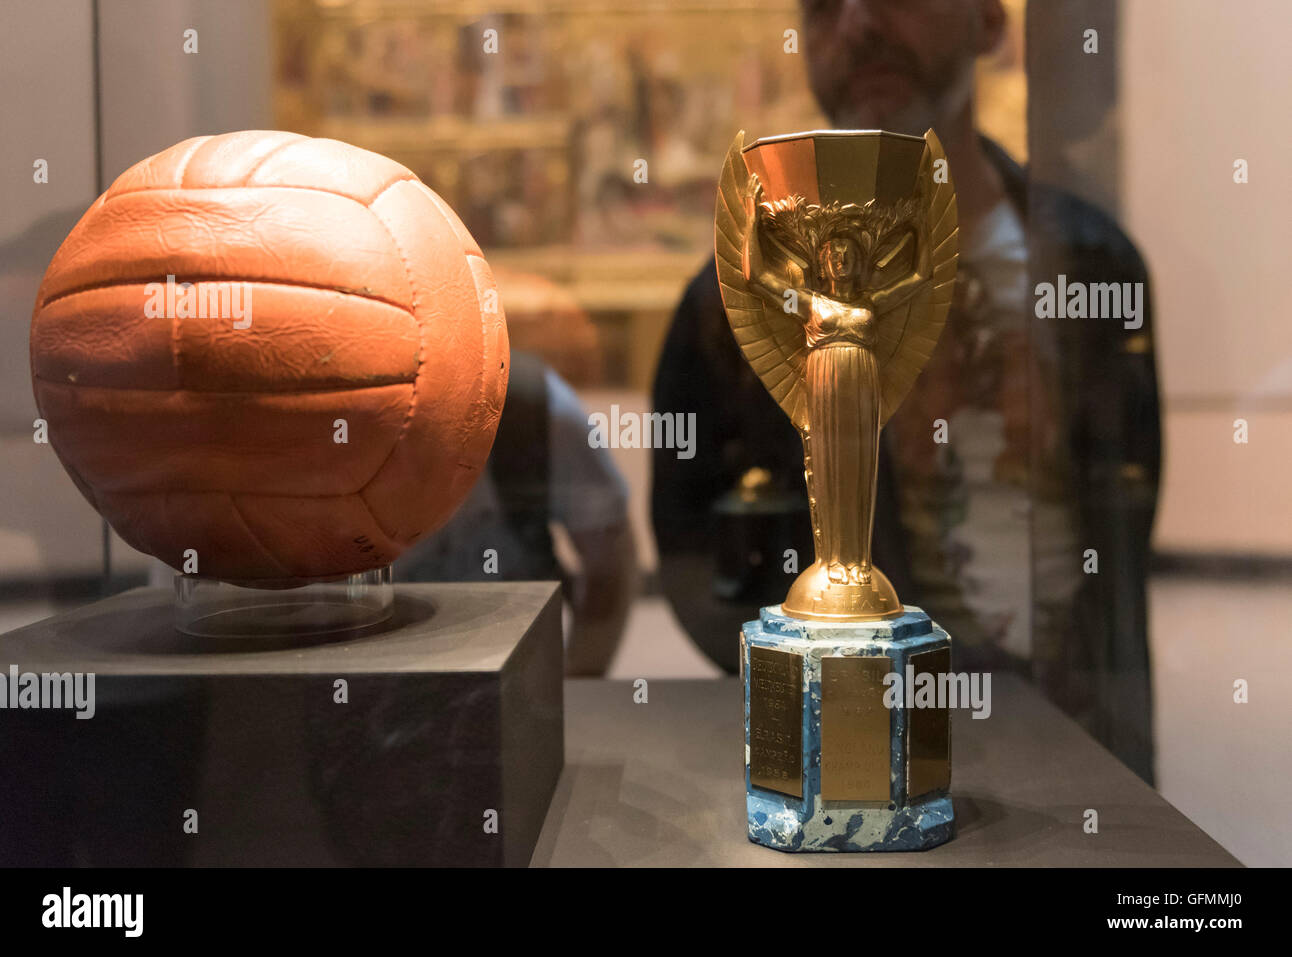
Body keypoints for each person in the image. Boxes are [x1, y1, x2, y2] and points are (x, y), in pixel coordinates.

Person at [651, 0, 1161, 783]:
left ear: (989, 24)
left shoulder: (1093, 263)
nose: (858, 24)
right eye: (823, 8)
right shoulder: (723, 310)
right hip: (863, 749)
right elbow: (694, 549)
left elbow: (1125, 517)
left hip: (1081, 736)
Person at [397, 349, 635, 676]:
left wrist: (581, 676)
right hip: (382, 667)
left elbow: (609, 560)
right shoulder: (341, 419)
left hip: (521, 674)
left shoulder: (541, 410)